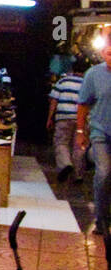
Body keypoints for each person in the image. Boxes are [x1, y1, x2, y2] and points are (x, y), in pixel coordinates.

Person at [74, 39, 111, 233]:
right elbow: (83, 104)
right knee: (103, 173)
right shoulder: (94, 74)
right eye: (108, 53)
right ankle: (101, 220)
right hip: (101, 132)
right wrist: (81, 132)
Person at [49, 56, 89, 184]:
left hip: (63, 117)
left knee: (61, 143)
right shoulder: (87, 84)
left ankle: (66, 164)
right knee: (79, 146)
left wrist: (50, 118)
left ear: (72, 68)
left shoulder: (63, 81)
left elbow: (54, 100)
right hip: (81, 119)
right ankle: (78, 175)